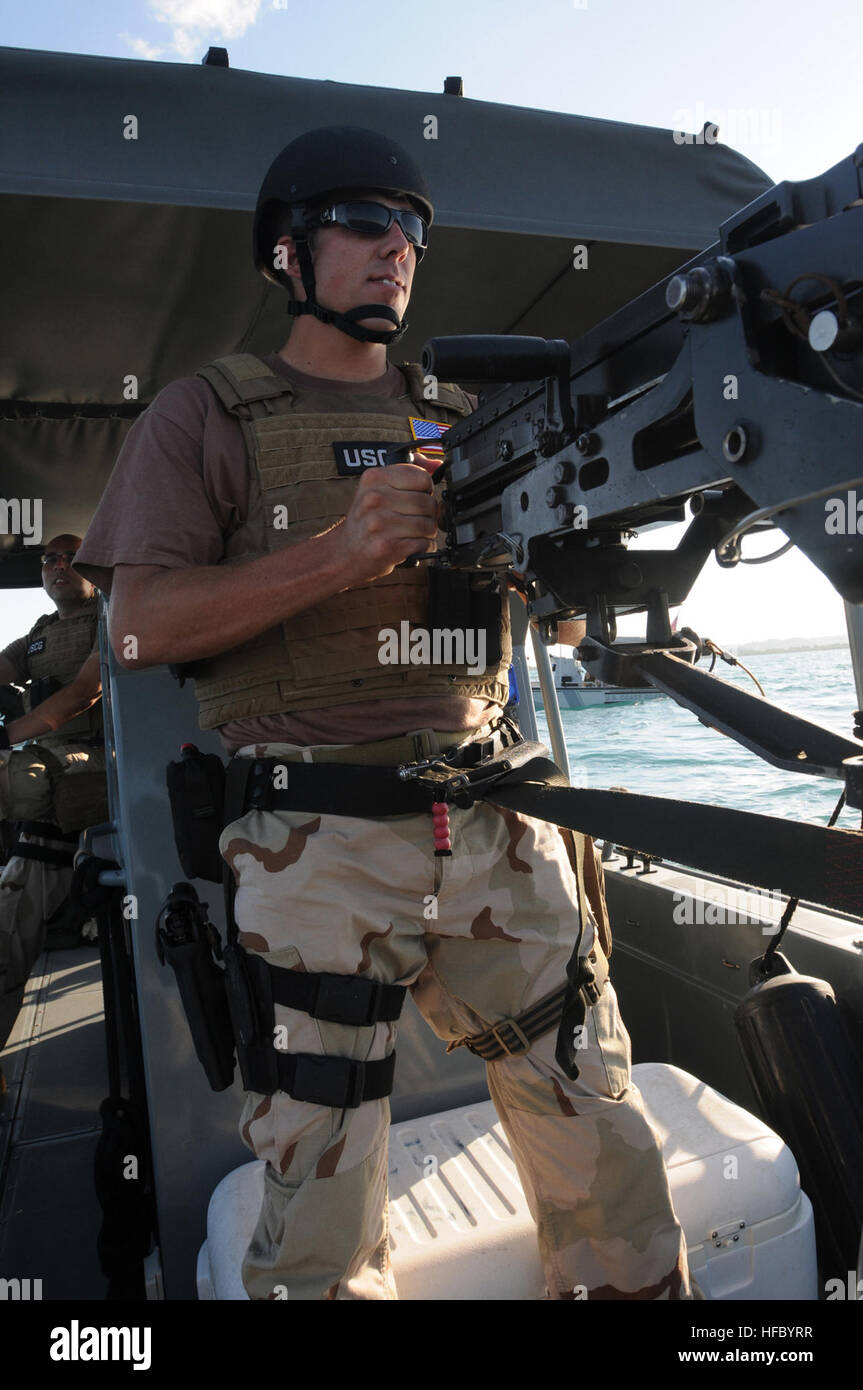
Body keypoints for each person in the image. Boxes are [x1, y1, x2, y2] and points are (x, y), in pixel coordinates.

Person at [74, 127, 697, 1300]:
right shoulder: (204, 414)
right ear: (288, 253)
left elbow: (536, 630)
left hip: (493, 809)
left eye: (409, 229)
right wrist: (338, 550)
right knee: (319, 1195)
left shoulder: (466, 420)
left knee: (598, 1124)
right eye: (362, 223)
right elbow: (140, 628)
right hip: (317, 841)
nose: (393, 250)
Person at [0, 534, 107, 1072]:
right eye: (49, 559)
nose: (57, 565)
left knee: (24, 779)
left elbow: (86, 691)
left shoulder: (112, 614)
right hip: (50, 774)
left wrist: (8, 734)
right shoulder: (38, 636)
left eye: (69, 558)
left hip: (104, 763)